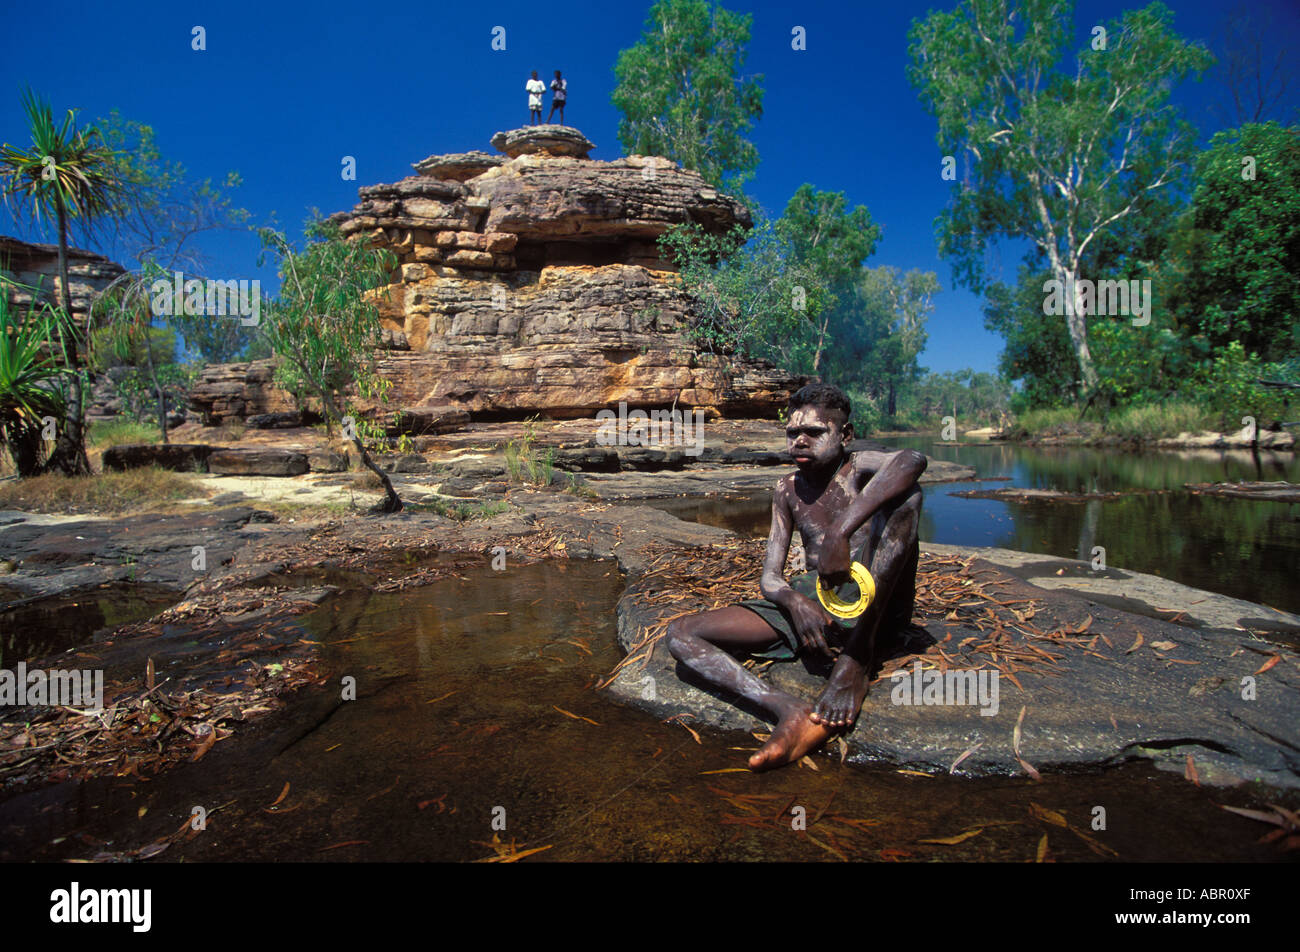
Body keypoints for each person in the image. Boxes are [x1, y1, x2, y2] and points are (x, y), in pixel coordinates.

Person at [664, 383, 927, 770]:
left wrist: (841, 531)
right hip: (818, 599)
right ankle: (789, 710)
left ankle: (856, 659)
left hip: (877, 601)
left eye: (815, 433)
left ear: (845, 435)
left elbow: (912, 459)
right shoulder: (786, 489)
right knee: (681, 634)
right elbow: (770, 577)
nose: (800, 441)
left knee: (909, 494)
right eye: (792, 433)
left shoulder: (860, 468)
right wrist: (794, 601)